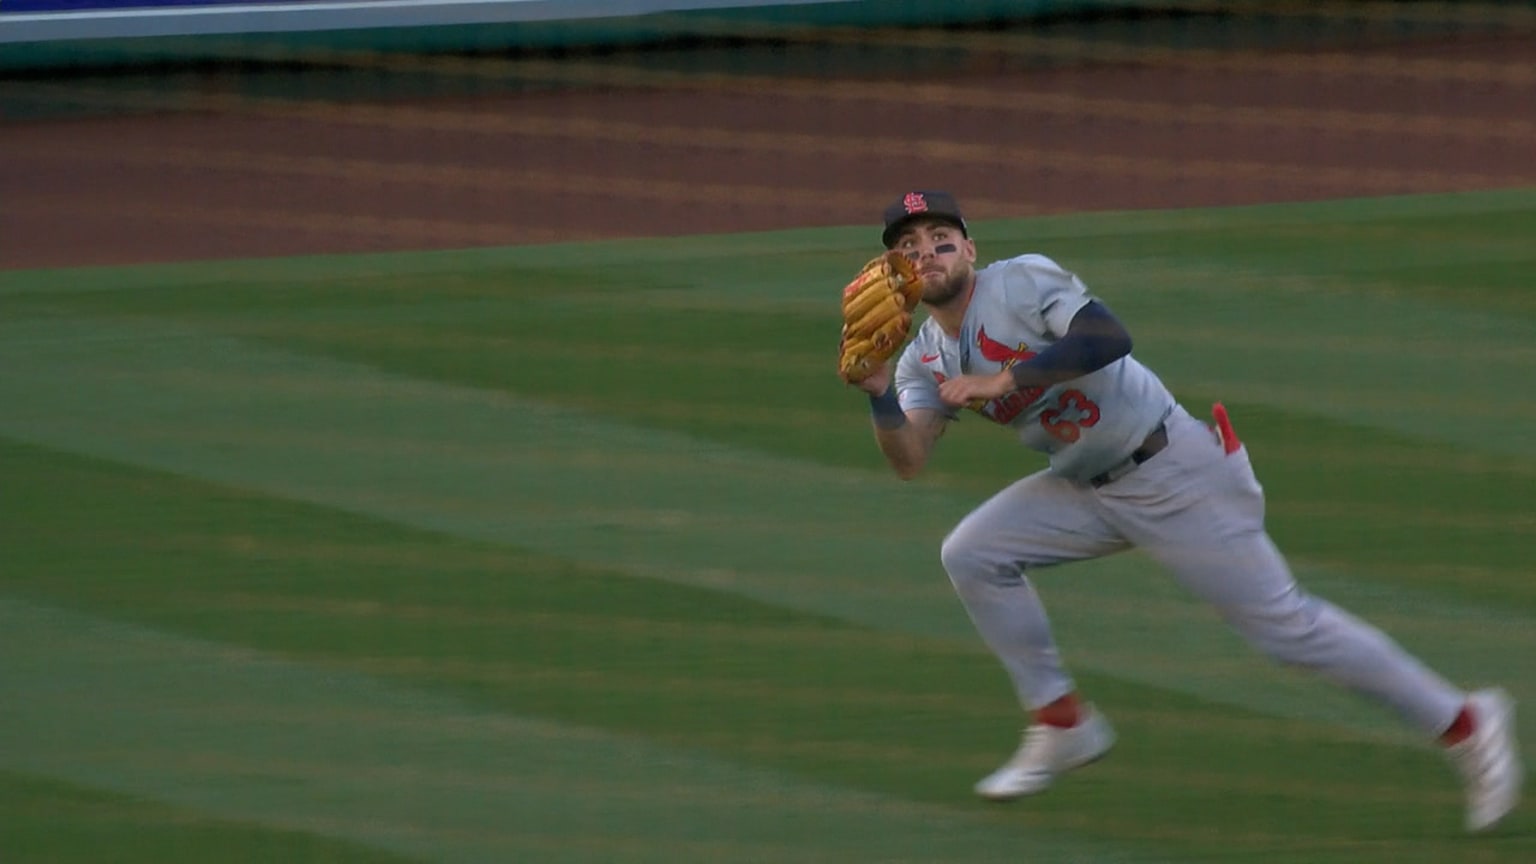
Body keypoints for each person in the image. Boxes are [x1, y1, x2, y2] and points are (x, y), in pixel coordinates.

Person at [845, 190, 1523, 832]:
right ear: (894, 270)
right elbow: (910, 457)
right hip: (1087, 486)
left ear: (971, 248)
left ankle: (1466, 723)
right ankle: (1061, 723)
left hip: (1174, 471)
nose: (928, 251)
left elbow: (1108, 336)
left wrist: (1008, 378)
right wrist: (878, 390)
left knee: (1288, 630)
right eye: (910, 245)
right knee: (972, 552)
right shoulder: (922, 359)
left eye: (942, 238)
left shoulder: (1020, 281)